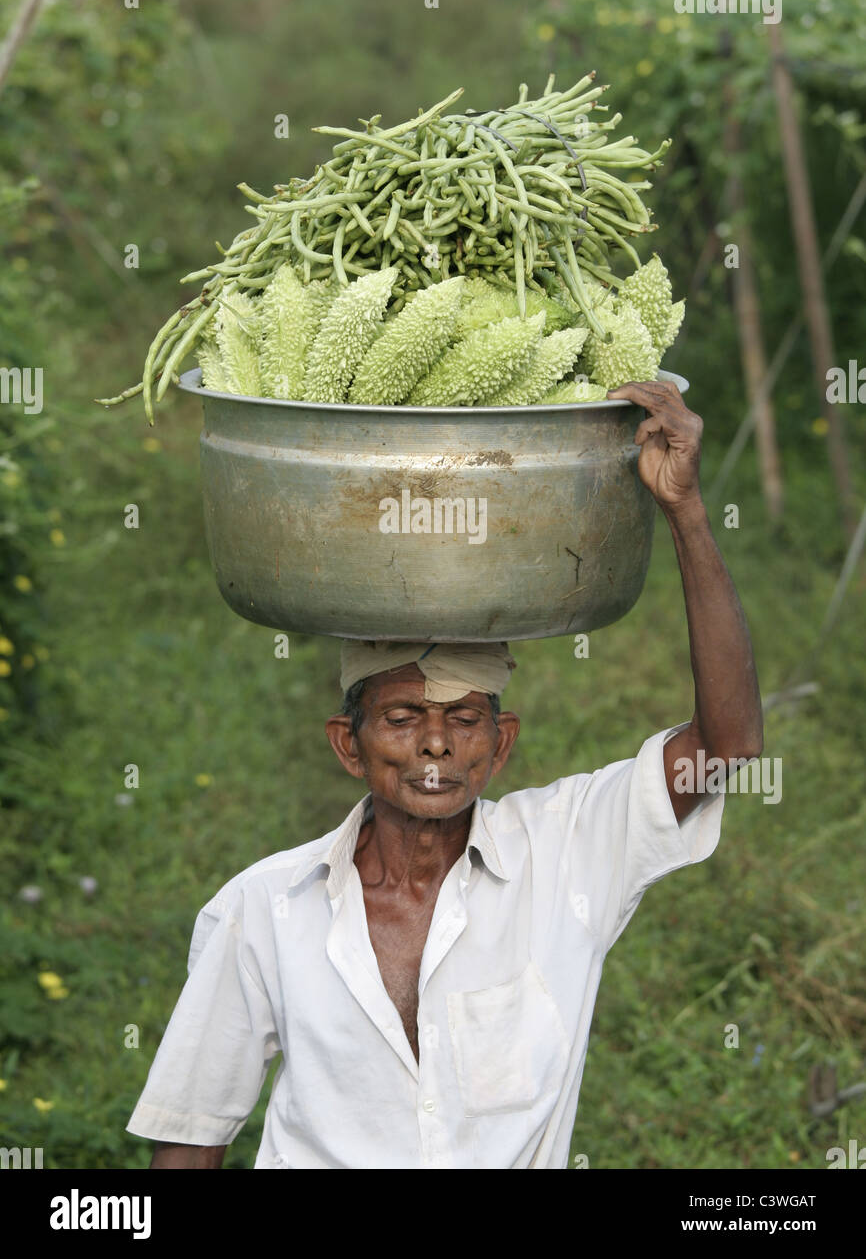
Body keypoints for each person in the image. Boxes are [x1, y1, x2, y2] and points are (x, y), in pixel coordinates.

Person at [126, 380, 763, 1168]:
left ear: (499, 746)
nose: (435, 746)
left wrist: (686, 511)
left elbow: (727, 746)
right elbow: (190, 1137)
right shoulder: (261, 911)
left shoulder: (567, 855)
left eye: (464, 721)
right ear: (347, 744)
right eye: (400, 720)